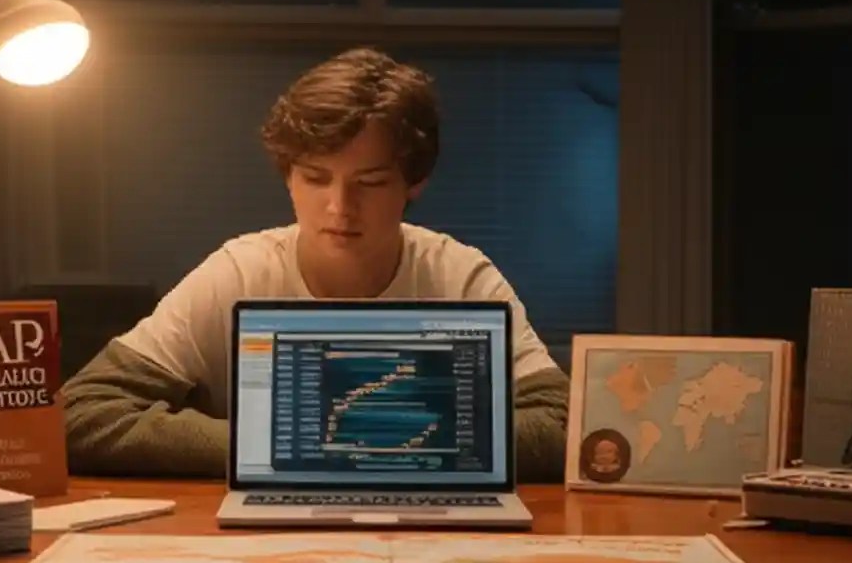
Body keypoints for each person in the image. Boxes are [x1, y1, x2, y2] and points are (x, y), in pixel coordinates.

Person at [60, 47, 570, 482]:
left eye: (369, 183)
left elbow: (564, 425)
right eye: (315, 178)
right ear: (287, 177)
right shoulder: (240, 273)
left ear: (414, 183)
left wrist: (343, 444)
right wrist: (284, 450)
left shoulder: (456, 274)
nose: (339, 208)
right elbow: (80, 414)